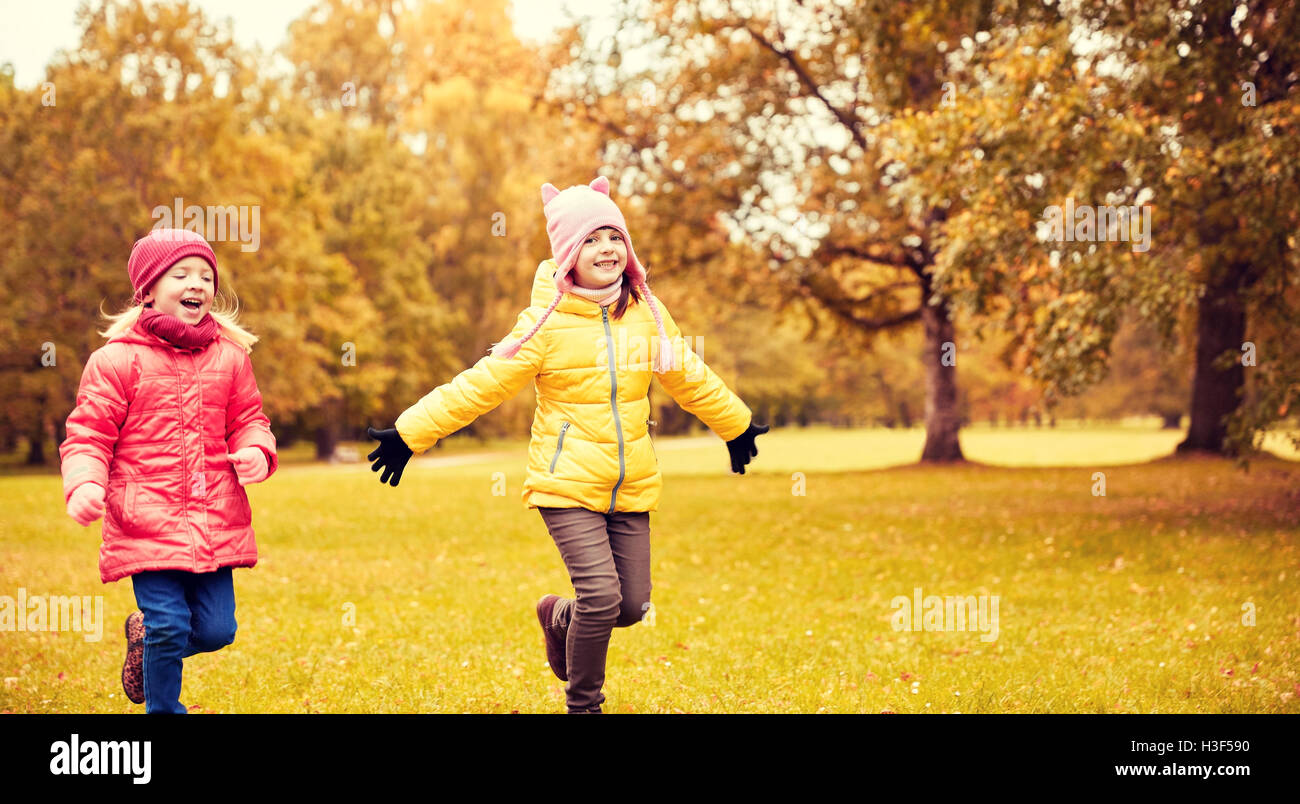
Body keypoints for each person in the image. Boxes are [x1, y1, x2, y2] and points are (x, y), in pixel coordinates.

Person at [367, 176, 767, 713]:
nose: (607, 249)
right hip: (565, 483)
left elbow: (688, 375)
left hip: (630, 485)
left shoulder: (646, 314)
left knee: (630, 605)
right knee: (601, 598)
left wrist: (736, 424)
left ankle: (558, 616)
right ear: (568, 255)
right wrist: (412, 431)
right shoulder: (544, 325)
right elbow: (481, 384)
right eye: (592, 240)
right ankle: (585, 706)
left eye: (615, 238)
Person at [60, 228, 277, 714]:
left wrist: (256, 452)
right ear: (149, 289)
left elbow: (249, 421)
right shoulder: (115, 362)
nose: (196, 283)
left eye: (205, 275)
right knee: (170, 626)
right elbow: (89, 434)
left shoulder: (230, 358)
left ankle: (145, 641)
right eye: (181, 274)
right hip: (147, 523)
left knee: (218, 630)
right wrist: (85, 482)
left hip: (215, 521)